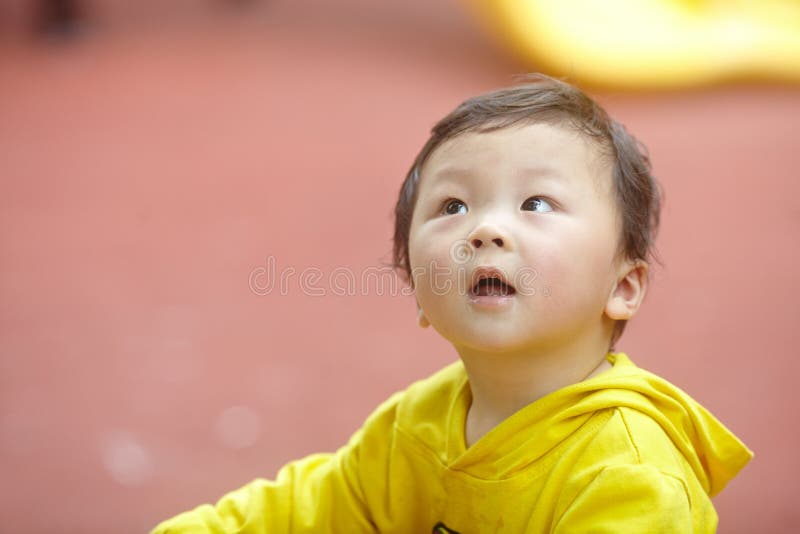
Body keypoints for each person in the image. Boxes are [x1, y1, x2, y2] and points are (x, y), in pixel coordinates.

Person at [152, 74, 753, 533]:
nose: (484, 230)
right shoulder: (418, 424)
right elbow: (302, 511)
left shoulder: (630, 477)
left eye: (536, 203)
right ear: (418, 291)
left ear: (622, 287)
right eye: (453, 207)